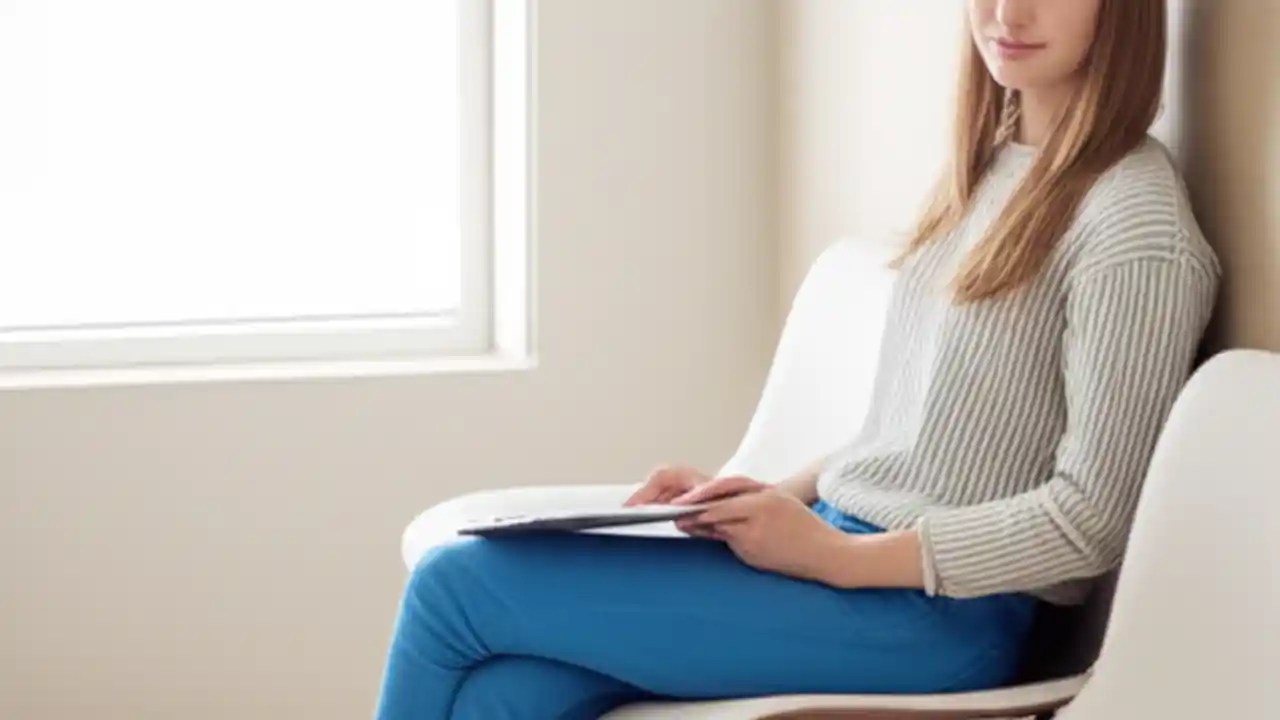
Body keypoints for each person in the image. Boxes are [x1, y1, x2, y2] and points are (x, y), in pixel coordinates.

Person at [375, 0, 1220, 717]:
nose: (1007, 11)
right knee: (512, 691)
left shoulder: (1133, 228)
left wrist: (835, 558)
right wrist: (760, 502)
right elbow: (913, 434)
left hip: (935, 618)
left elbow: (1088, 522)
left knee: (461, 585)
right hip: (849, 562)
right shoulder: (996, 168)